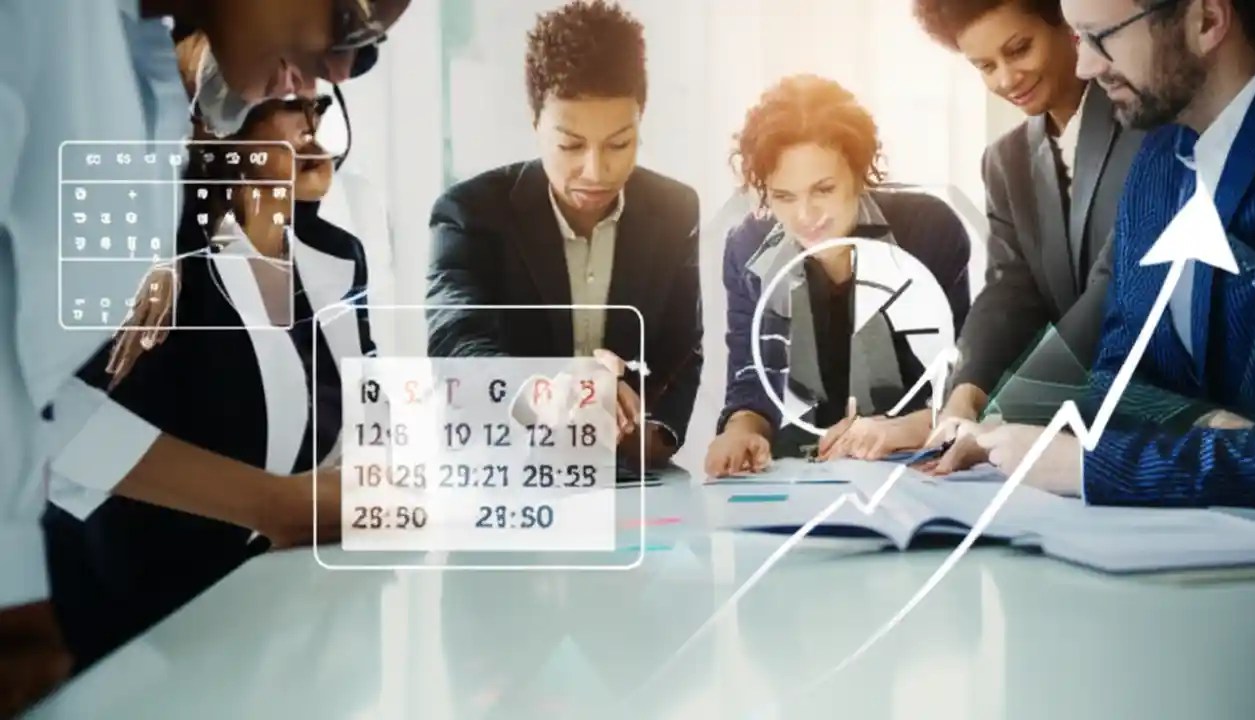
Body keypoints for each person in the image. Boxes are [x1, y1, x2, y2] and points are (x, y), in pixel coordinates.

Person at [0, 1, 408, 711]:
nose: (339, 71)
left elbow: (35, 387)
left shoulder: (140, 68)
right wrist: (280, 505)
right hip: (111, 621)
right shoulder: (42, 25)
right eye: (351, 16)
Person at [975, 0, 1255, 508]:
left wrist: (1098, 466)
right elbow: (1117, 379)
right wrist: (1201, 423)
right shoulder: (1157, 162)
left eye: (1101, 37)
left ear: (1206, 20)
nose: (1084, 69)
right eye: (1078, 40)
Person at [820, 0, 1146, 472]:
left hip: (1153, 407)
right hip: (1071, 421)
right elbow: (1008, 294)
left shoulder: (1142, 120)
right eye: (984, 66)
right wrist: (962, 400)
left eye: (1019, 49)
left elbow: (1114, 287)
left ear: (1066, 24)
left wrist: (994, 415)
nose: (1006, 78)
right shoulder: (1006, 160)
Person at [426, 0, 703, 469]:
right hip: (505, 478)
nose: (595, 170)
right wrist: (544, 388)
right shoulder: (469, 214)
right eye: (570, 145)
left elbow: (682, 349)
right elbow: (456, 343)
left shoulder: (676, 210)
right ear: (535, 124)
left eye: (619, 144)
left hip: (631, 478)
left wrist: (642, 435)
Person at [704, 75, 971, 476]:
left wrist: (898, 430)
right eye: (783, 197)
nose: (805, 216)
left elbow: (963, 382)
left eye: (823, 189)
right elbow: (752, 378)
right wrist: (740, 432)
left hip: (912, 464)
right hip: (799, 473)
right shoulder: (748, 249)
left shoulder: (930, 231)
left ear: (859, 172)